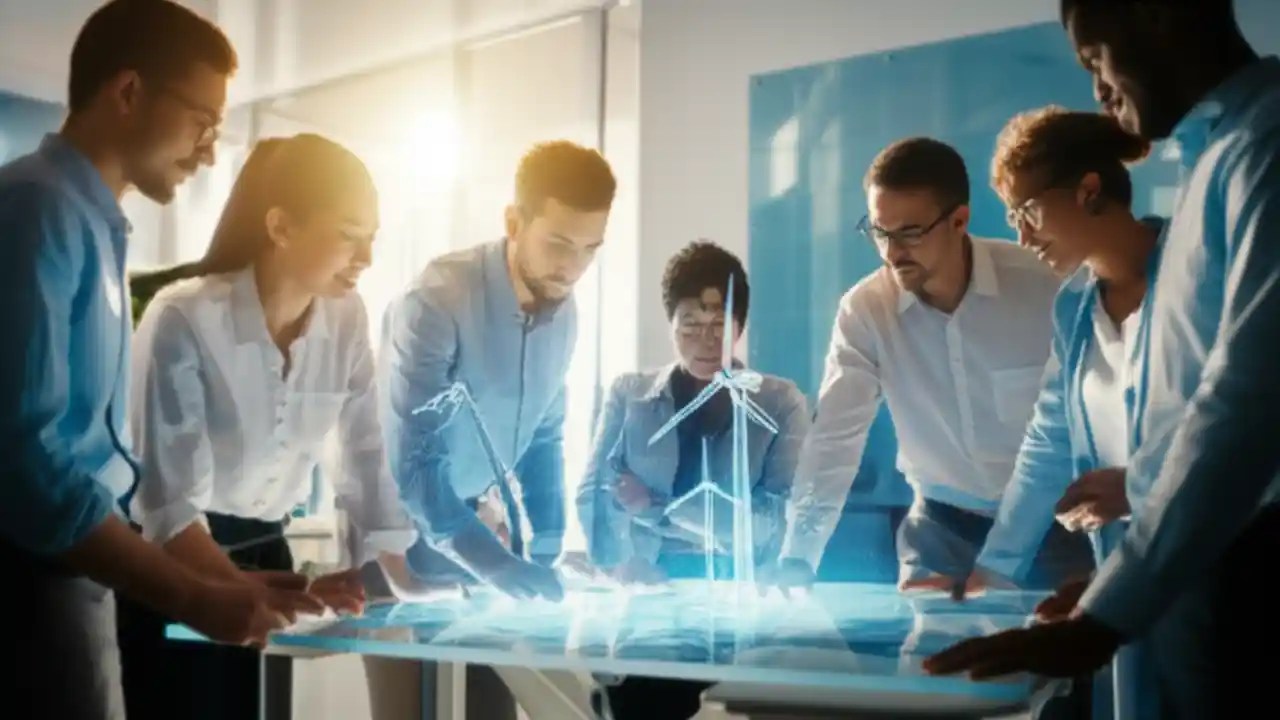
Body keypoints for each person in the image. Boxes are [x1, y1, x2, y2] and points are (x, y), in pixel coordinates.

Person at [924, 1, 1280, 716]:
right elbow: (1061, 440)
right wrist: (1013, 576)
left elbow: (1244, 403)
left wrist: (1108, 612)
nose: (1097, 88)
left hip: (1241, 580)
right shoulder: (1212, 160)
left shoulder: (1264, 147)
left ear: (1157, 15)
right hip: (1161, 577)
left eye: (1095, 58)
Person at [0, 2, 320, 719]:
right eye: (203, 122)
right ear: (128, 93)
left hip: (80, 575)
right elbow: (30, 462)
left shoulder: (97, 225)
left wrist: (221, 581)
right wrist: (190, 595)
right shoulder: (39, 209)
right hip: (31, 582)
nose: (210, 149)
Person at [124, 134, 427, 718]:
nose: (366, 256)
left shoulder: (345, 316)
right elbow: (168, 511)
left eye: (372, 238)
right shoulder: (181, 315)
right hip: (178, 565)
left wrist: (414, 574)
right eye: (348, 234)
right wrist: (245, 589)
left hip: (267, 554)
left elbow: (366, 456)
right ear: (281, 227)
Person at [770, 137, 1093, 595]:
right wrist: (797, 556)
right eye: (879, 232)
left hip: (1055, 531)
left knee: (1061, 660)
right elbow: (835, 437)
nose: (891, 251)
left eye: (910, 232)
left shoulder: (1044, 286)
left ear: (959, 220)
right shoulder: (866, 310)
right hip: (940, 530)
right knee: (928, 664)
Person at [379, 139, 615, 718]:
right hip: (397, 535)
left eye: (590, 249)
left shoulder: (566, 310)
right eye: (558, 243)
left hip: (479, 533)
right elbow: (413, 470)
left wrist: (550, 547)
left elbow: (543, 434)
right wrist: (500, 565)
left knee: (493, 708)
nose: (573, 267)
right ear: (514, 221)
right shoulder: (437, 300)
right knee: (415, 710)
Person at [957, 106, 1162, 720]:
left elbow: (1246, 428)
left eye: (1027, 213)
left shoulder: (1196, 274)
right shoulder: (1074, 304)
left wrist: (1143, 488)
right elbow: (1049, 438)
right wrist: (995, 569)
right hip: (1121, 571)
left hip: (1227, 567)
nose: (1021, 235)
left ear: (1089, 190)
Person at [580, 240, 809, 720]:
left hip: (740, 603)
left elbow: (772, 520)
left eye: (719, 327)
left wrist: (653, 508)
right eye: (691, 326)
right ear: (671, 326)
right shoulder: (630, 394)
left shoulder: (780, 403)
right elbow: (592, 494)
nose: (706, 342)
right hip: (649, 597)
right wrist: (618, 563)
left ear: (740, 328)